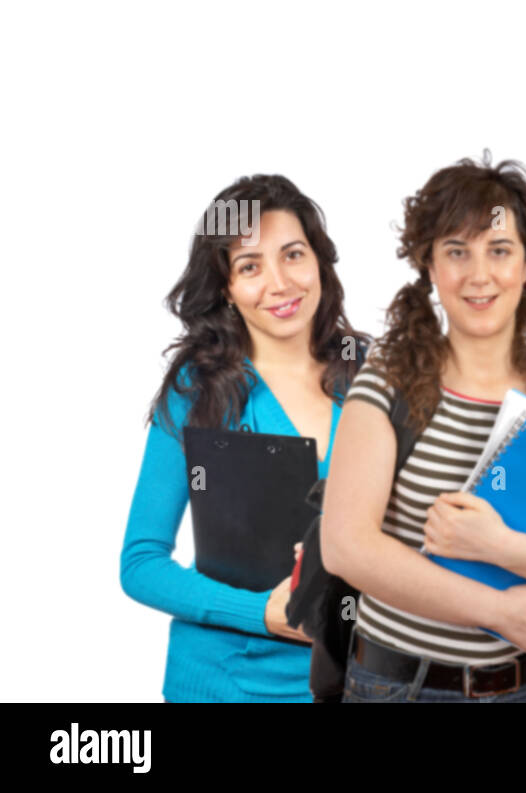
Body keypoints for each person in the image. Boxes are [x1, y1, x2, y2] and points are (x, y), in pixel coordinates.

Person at [321, 154, 526, 703]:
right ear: (429, 265)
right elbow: (347, 547)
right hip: (399, 688)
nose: (478, 275)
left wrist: (499, 545)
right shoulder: (387, 382)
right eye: (456, 251)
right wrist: (497, 611)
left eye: (498, 250)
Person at [121, 174, 368, 702]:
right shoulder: (196, 391)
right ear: (227, 289)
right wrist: (259, 613)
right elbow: (141, 562)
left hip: (363, 682)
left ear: (320, 262)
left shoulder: (373, 374)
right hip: (225, 685)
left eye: (294, 254)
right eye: (250, 266)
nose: (280, 283)